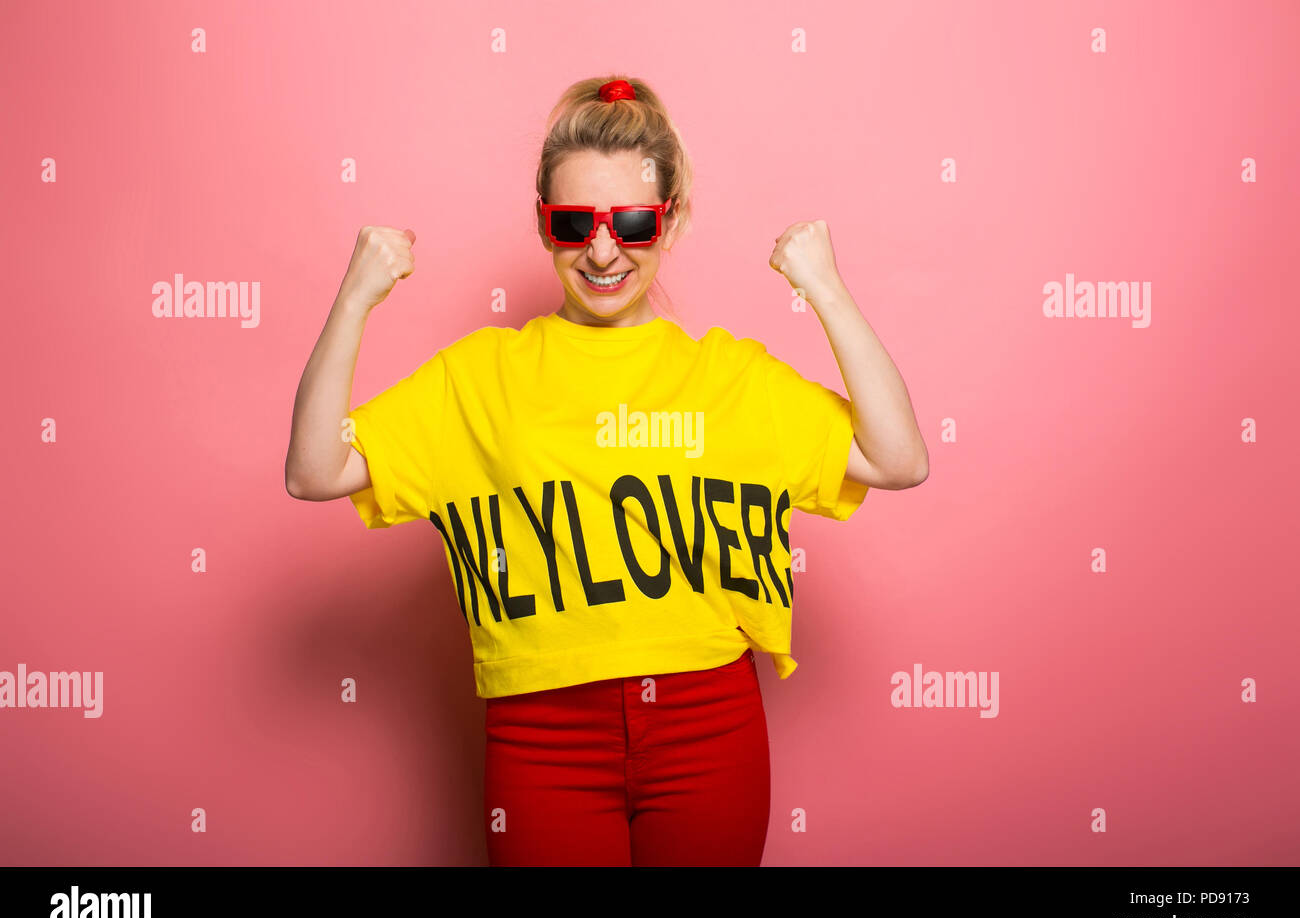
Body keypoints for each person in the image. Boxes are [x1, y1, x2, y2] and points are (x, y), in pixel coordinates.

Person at [285, 75, 928, 866]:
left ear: (673, 219)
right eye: (572, 222)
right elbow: (314, 472)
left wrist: (825, 289)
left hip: (709, 726)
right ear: (542, 225)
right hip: (540, 735)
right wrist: (353, 300)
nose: (601, 251)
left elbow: (899, 460)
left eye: (632, 222)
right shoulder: (481, 376)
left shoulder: (729, 376)